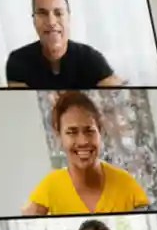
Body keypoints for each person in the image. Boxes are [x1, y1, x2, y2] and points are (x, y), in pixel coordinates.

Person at [21, 91, 149, 215]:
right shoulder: (49, 189)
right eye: (72, 132)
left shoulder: (126, 184)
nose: (83, 141)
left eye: (89, 131)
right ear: (59, 137)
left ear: (100, 132)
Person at [5, 0, 124, 89]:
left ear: (68, 18)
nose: (51, 22)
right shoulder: (18, 61)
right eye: (43, 13)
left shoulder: (91, 59)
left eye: (58, 13)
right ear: (33, 20)